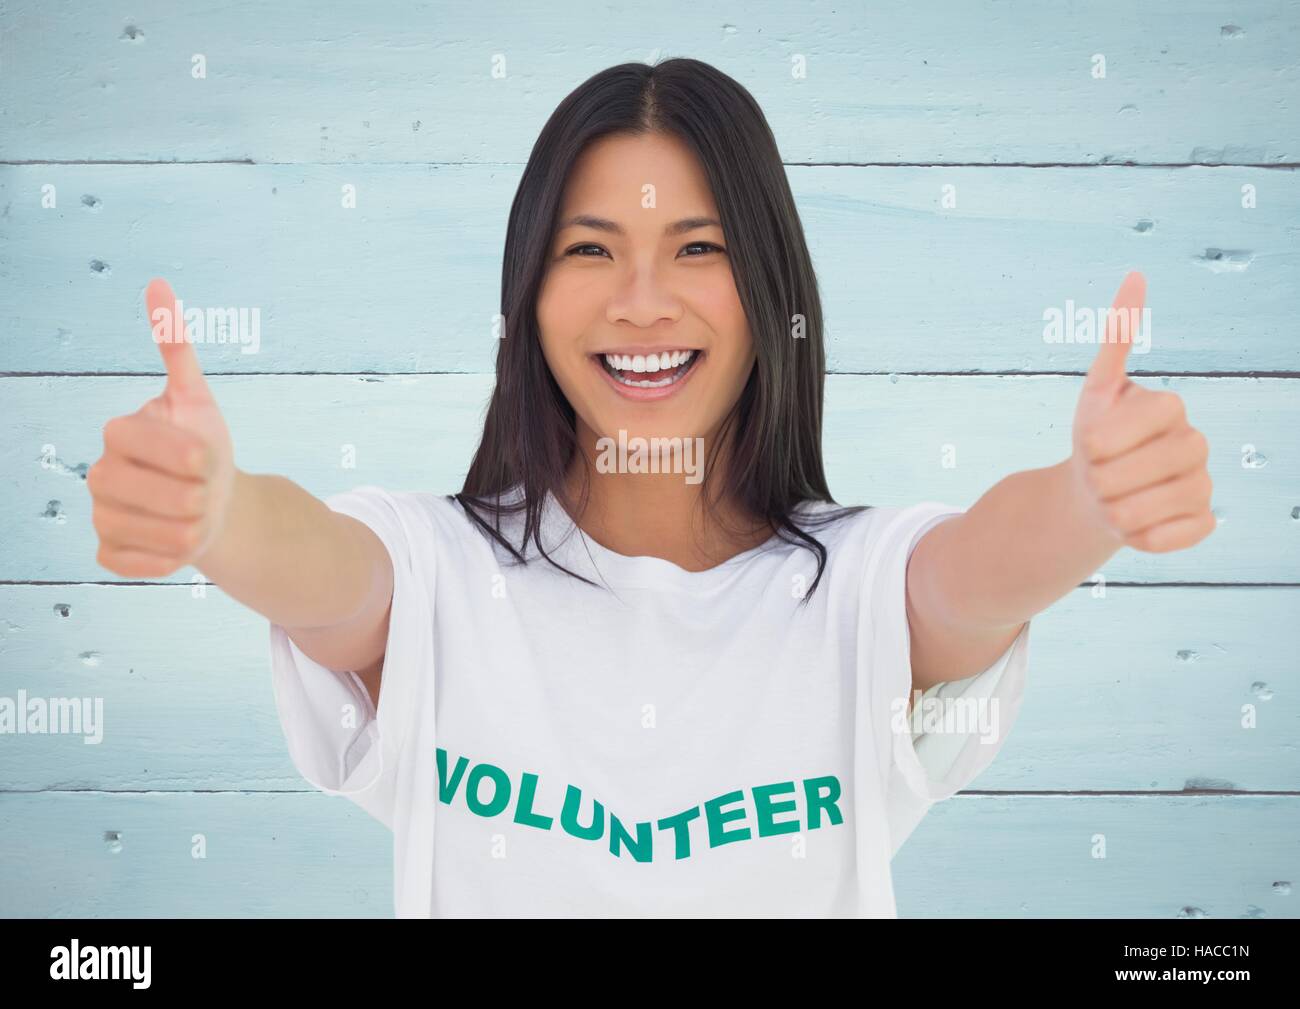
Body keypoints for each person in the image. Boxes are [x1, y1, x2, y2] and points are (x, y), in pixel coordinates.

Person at [86, 59, 1215, 918]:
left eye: (697, 248)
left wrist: (1088, 499)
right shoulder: (438, 571)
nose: (640, 302)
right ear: (527, 294)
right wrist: (217, 512)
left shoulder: (856, 585)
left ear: (770, 288)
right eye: (587, 251)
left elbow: (976, 578)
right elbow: (324, 574)